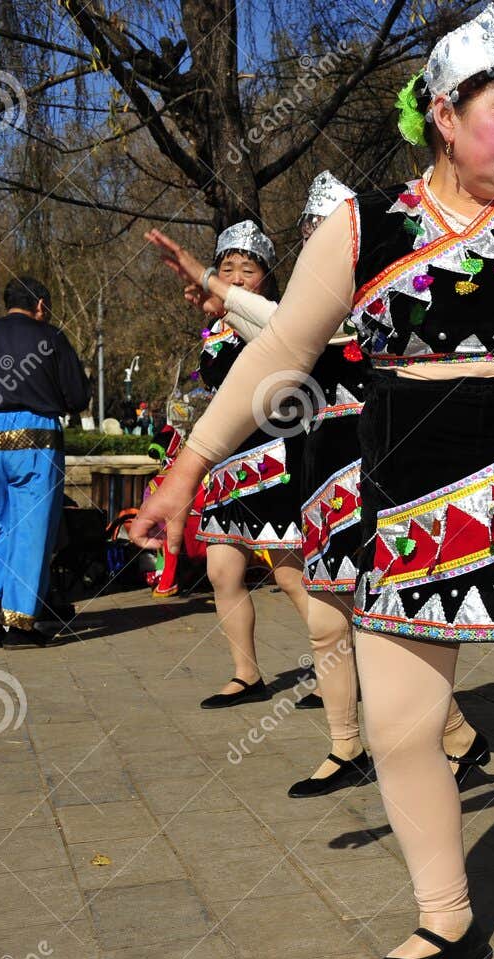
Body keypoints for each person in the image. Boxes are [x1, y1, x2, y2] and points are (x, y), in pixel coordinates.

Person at [128, 4, 494, 959]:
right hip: (412, 512)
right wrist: (187, 469)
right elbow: (277, 352)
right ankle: (445, 922)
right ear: (440, 113)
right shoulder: (362, 226)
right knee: (400, 727)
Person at [147, 174, 493, 796]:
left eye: (326, 237)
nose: (318, 248)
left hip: (377, 469)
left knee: (384, 624)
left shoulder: (388, 302)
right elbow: (279, 336)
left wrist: (213, 283)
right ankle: (346, 746)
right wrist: (221, 299)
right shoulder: (313, 311)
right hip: (316, 466)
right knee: (328, 622)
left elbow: (285, 324)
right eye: (311, 237)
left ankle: (459, 736)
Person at [179, 221, 316, 709]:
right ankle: (246, 673)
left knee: (288, 572)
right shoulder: (213, 326)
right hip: (229, 462)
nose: (235, 277)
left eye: (248, 269)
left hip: (275, 457)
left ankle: (339, 665)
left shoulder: (277, 318)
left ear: (266, 278)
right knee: (222, 570)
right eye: (227, 268)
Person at [0, 276, 89, 646]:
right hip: (35, 438)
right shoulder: (52, 338)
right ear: (40, 304)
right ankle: (19, 623)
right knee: (30, 529)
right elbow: (76, 397)